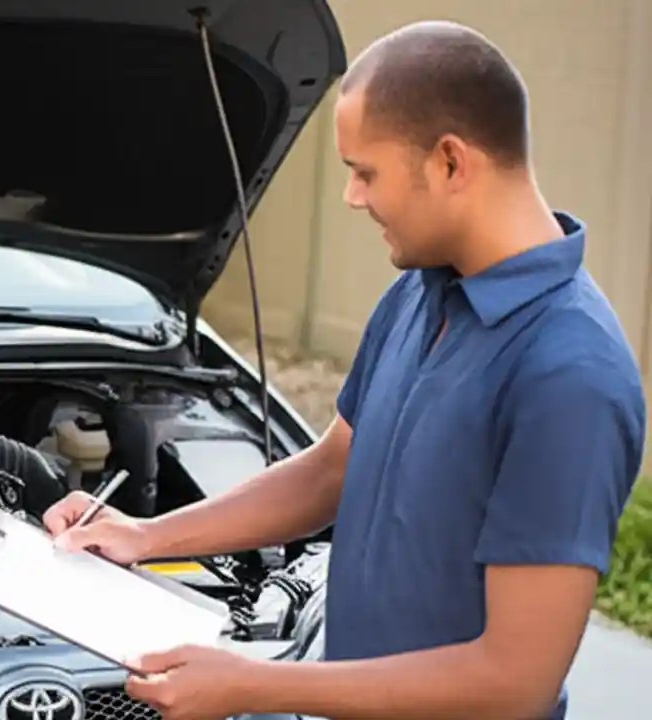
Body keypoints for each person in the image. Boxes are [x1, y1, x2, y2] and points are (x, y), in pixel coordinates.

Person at [43, 19, 645, 720]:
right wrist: (146, 537)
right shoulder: (420, 293)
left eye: (366, 173)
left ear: (451, 162)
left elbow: (514, 681)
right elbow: (334, 470)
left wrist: (252, 684)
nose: (353, 199)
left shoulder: (569, 374)